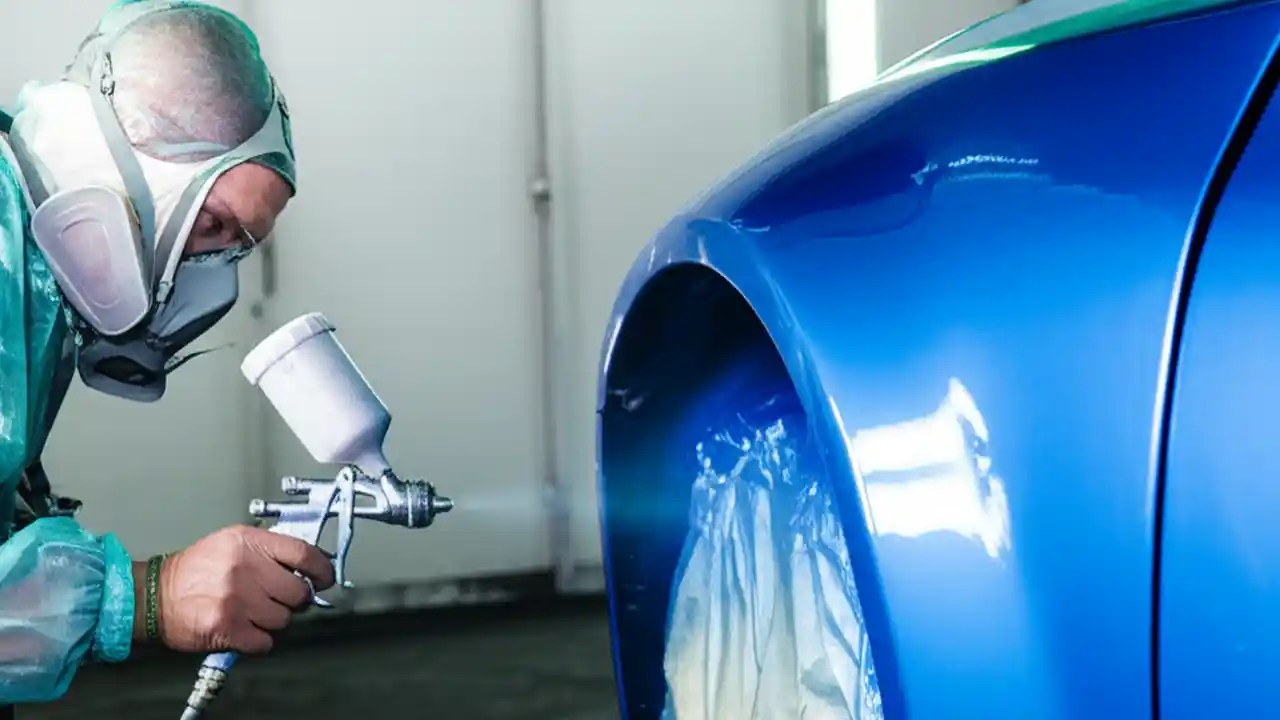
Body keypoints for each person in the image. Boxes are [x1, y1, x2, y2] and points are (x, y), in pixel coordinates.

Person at [0, 0, 334, 709]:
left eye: (235, 248)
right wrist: (145, 596)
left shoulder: (30, 284)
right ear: (113, 150)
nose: (208, 282)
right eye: (212, 225)